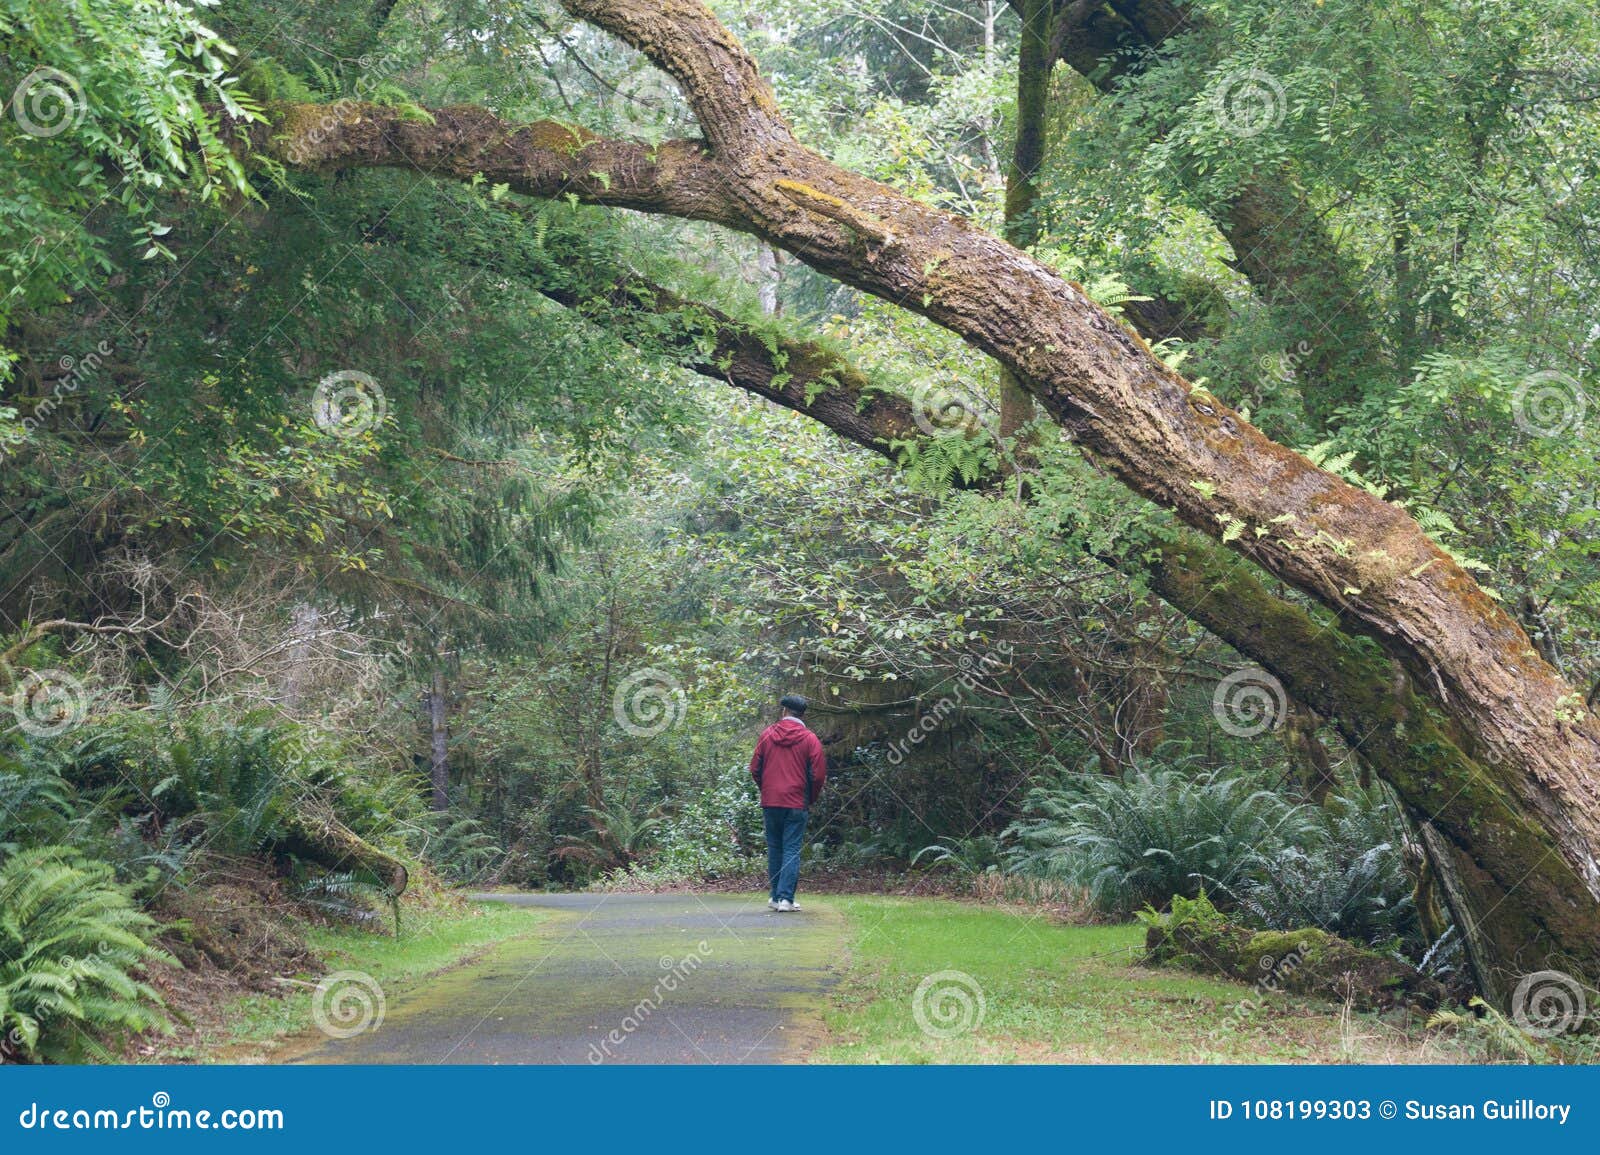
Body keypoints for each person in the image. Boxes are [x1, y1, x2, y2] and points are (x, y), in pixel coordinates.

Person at [749, 693, 826, 912]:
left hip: (771, 801)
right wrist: (809, 797)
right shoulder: (810, 739)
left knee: (775, 847)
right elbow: (819, 774)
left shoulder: (767, 735)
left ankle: (775, 896)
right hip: (796, 802)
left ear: (784, 711)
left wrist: (767, 789)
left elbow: (755, 768)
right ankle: (786, 899)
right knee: (791, 849)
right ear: (802, 714)